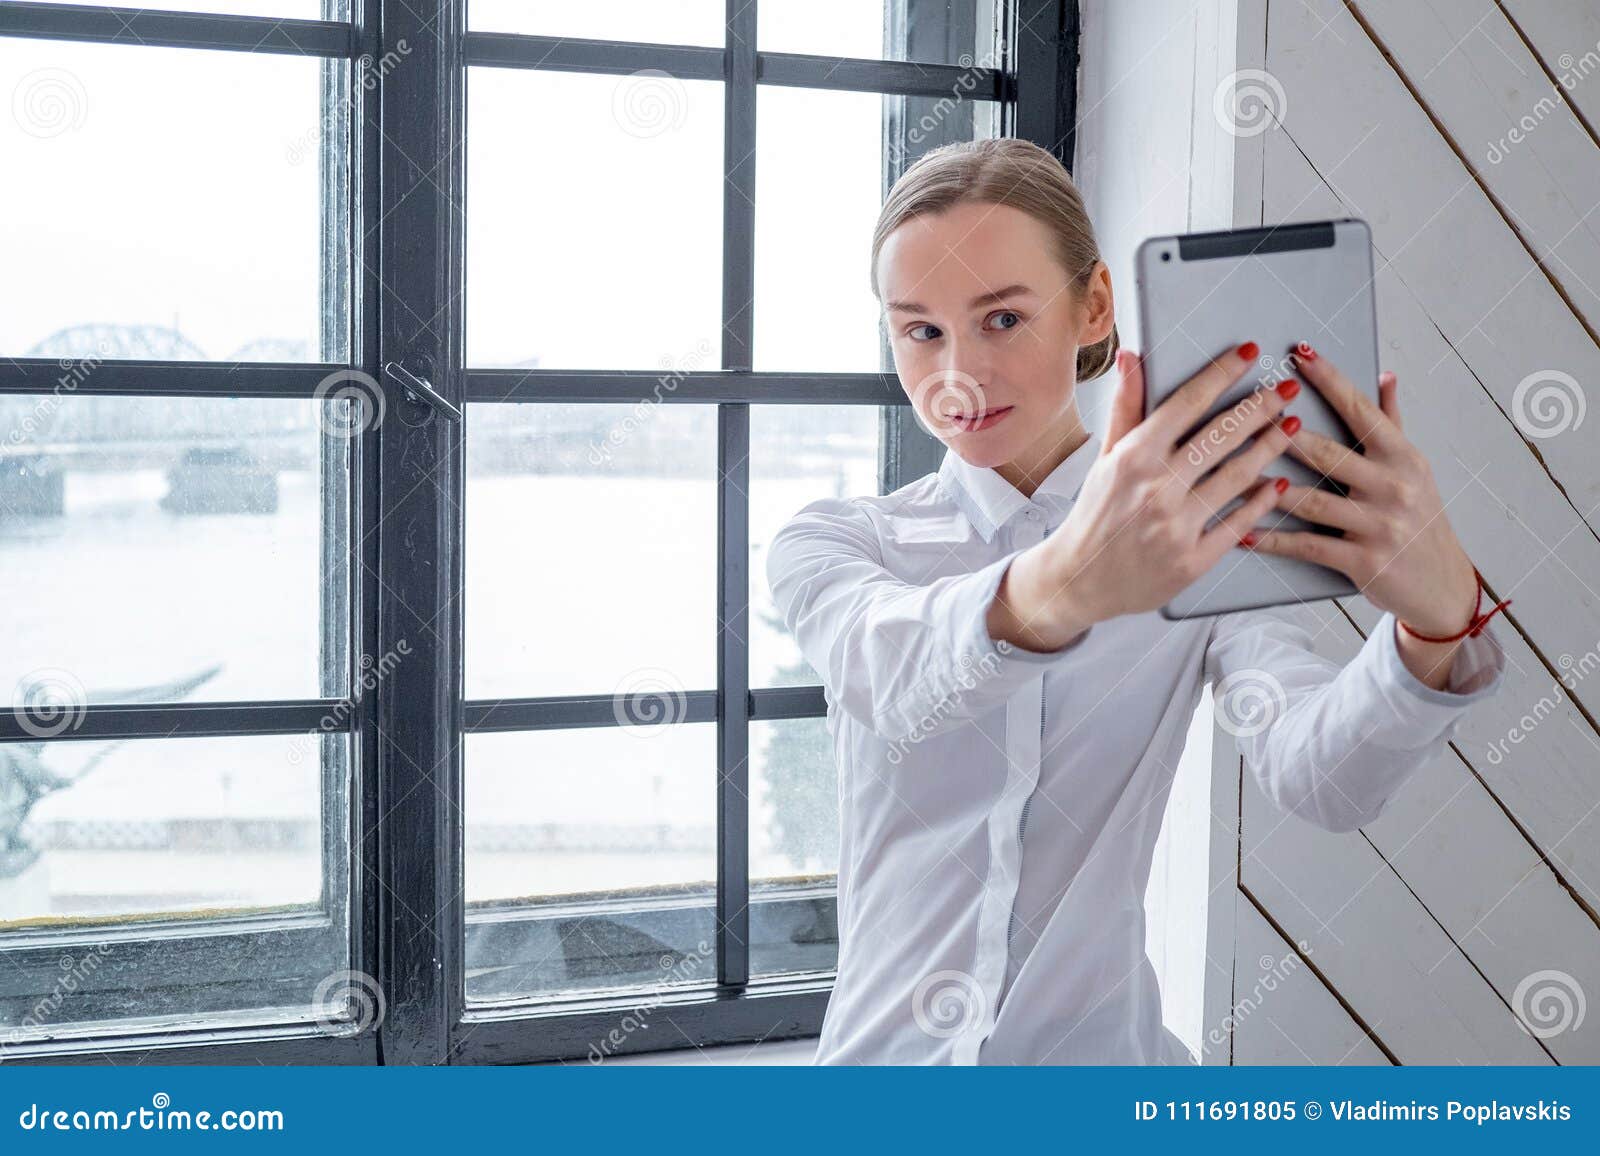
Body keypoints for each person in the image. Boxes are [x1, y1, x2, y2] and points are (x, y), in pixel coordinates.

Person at [764, 137, 1509, 1065]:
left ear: (1094, 306)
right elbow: (898, 676)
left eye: (1001, 319)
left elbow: (1322, 779)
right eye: (920, 330)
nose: (957, 373)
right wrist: (1065, 580)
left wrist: (1436, 624)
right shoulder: (837, 544)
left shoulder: (1202, 548)